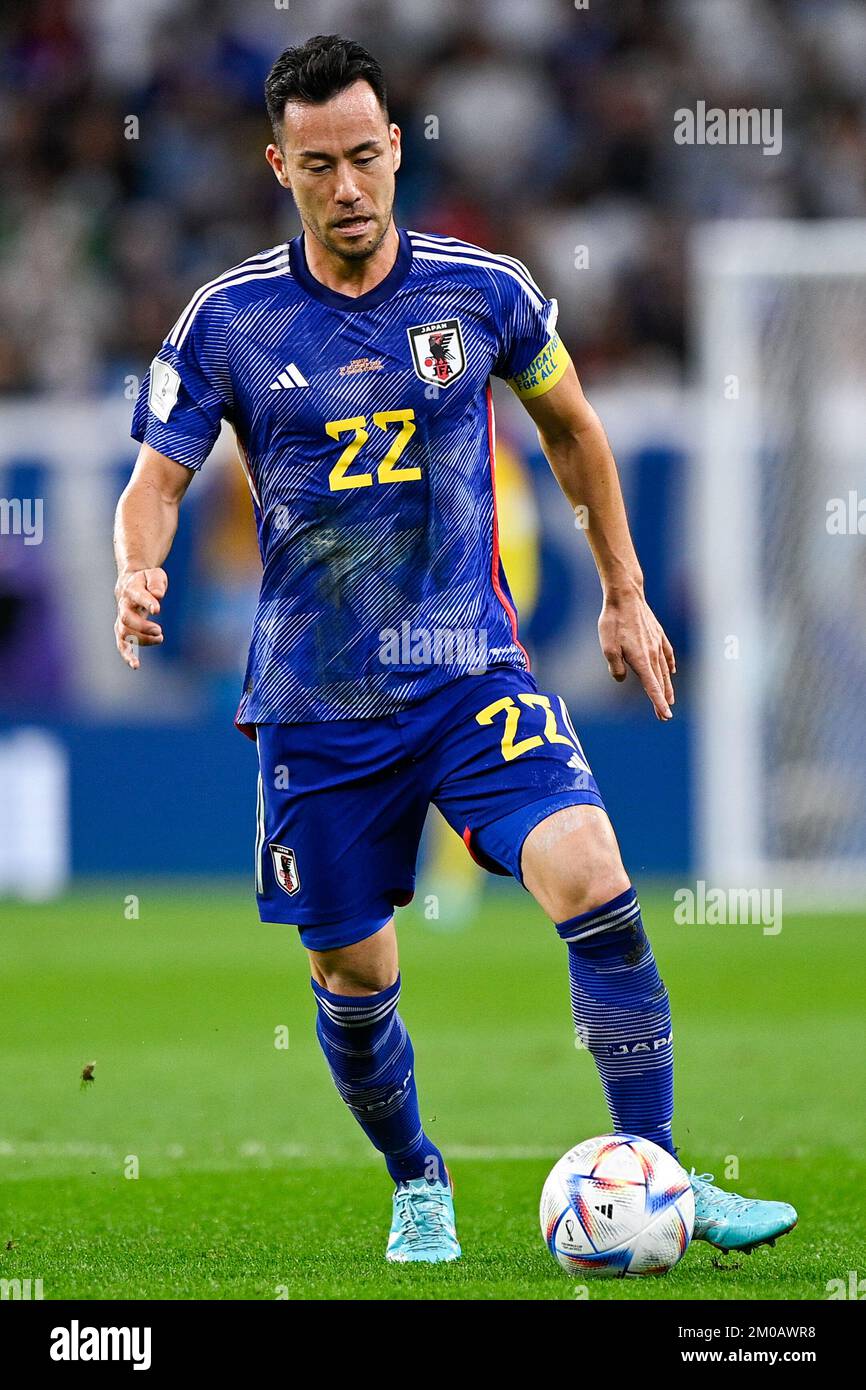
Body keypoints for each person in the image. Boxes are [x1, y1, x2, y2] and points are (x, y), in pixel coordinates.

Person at [114, 34, 796, 1264]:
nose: (349, 186)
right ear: (280, 164)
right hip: (316, 702)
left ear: (394, 149)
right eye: (318, 165)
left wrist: (622, 595)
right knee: (353, 973)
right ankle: (414, 1172)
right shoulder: (229, 319)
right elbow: (153, 481)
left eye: (366, 156)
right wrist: (136, 563)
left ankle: (661, 1175)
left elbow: (575, 431)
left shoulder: (482, 290)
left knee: (591, 874)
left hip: (471, 670)